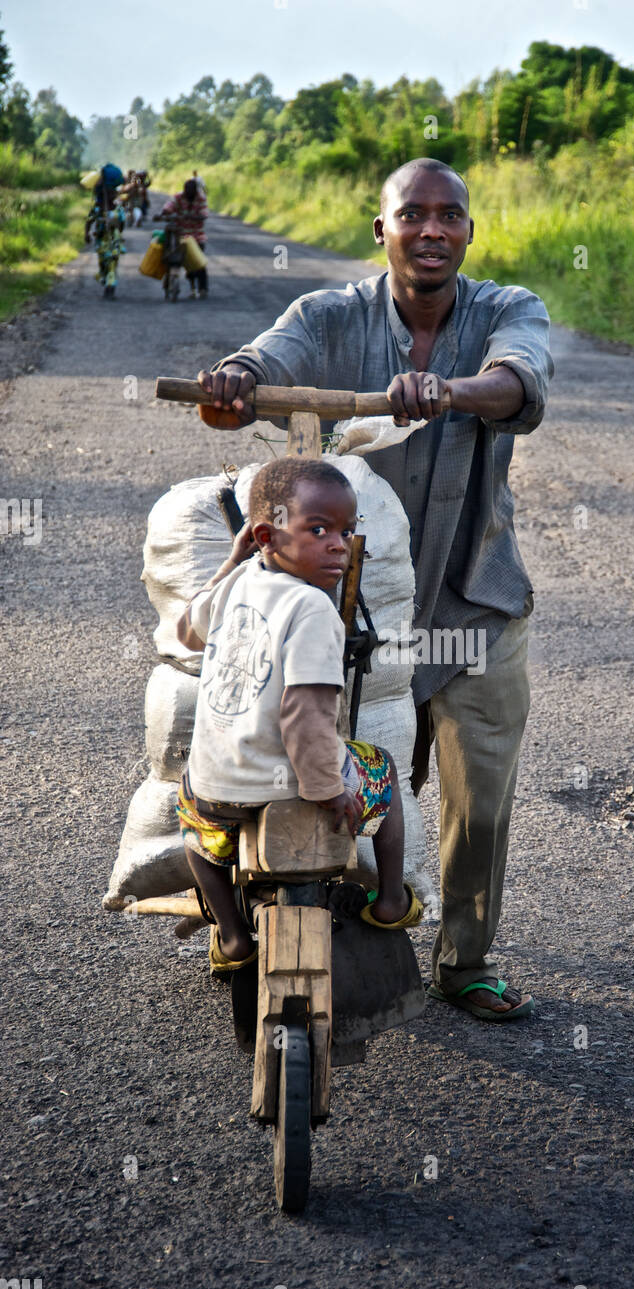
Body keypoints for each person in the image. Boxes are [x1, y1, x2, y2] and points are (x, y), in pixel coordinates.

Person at [194, 157, 552, 1019]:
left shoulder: (508, 308)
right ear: (381, 229)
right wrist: (236, 380)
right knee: (279, 750)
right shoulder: (328, 314)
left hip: (472, 600)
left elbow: (519, 382)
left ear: (469, 232)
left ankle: (464, 958)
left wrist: (450, 391)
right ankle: (250, 911)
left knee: (481, 795)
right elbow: (267, 356)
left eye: (450, 217)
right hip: (339, 610)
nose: (432, 230)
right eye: (413, 215)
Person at [174, 456, 424, 974]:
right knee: (383, 767)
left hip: (217, 787)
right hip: (290, 785)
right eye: (318, 529)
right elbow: (306, 715)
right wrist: (329, 789)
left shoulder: (237, 585)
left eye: (346, 530)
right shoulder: (313, 610)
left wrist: (232, 561)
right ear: (266, 534)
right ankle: (393, 901)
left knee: (192, 827)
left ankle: (233, 935)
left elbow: (186, 632)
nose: (339, 543)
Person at [155, 177, 208, 299]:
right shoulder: (178, 197)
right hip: (179, 234)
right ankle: (169, 278)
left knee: (198, 262)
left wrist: (192, 216)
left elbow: (204, 214)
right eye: (186, 191)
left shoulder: (201, 199)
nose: (188, 194)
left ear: (195, 191)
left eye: (191, 192)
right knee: (168, 252)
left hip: (196, 235)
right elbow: (169, 205)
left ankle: (203, 288)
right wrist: (164, 213)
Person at [84, 165, 126, 298]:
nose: (112, 195)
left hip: (114, 240)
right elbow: (89, 220)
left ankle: (111, 286)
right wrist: (87, 233)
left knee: (112, 263)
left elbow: (122, 222)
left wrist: (118, 231)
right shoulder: (98, 208)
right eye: (109, 193)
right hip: (101, 240)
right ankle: (106, 279)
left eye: (113, 193)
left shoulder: (118, 208)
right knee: (103, 263)